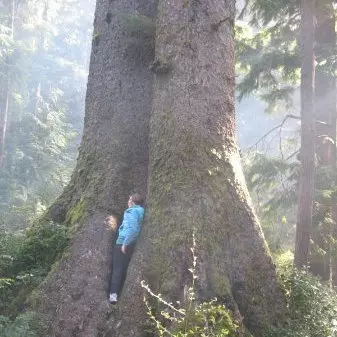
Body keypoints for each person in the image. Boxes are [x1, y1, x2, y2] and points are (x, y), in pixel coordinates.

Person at [109, 193, 144, 304]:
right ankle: (118, 292)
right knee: (123, 269)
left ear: (132, 201)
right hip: (132, 243)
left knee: (117, 269)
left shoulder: (131, 211)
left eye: (129, 200)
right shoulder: (141, 211)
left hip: (122, 243)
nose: (128, 202)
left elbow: (133, 228)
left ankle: (113, 294)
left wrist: (125, 243)